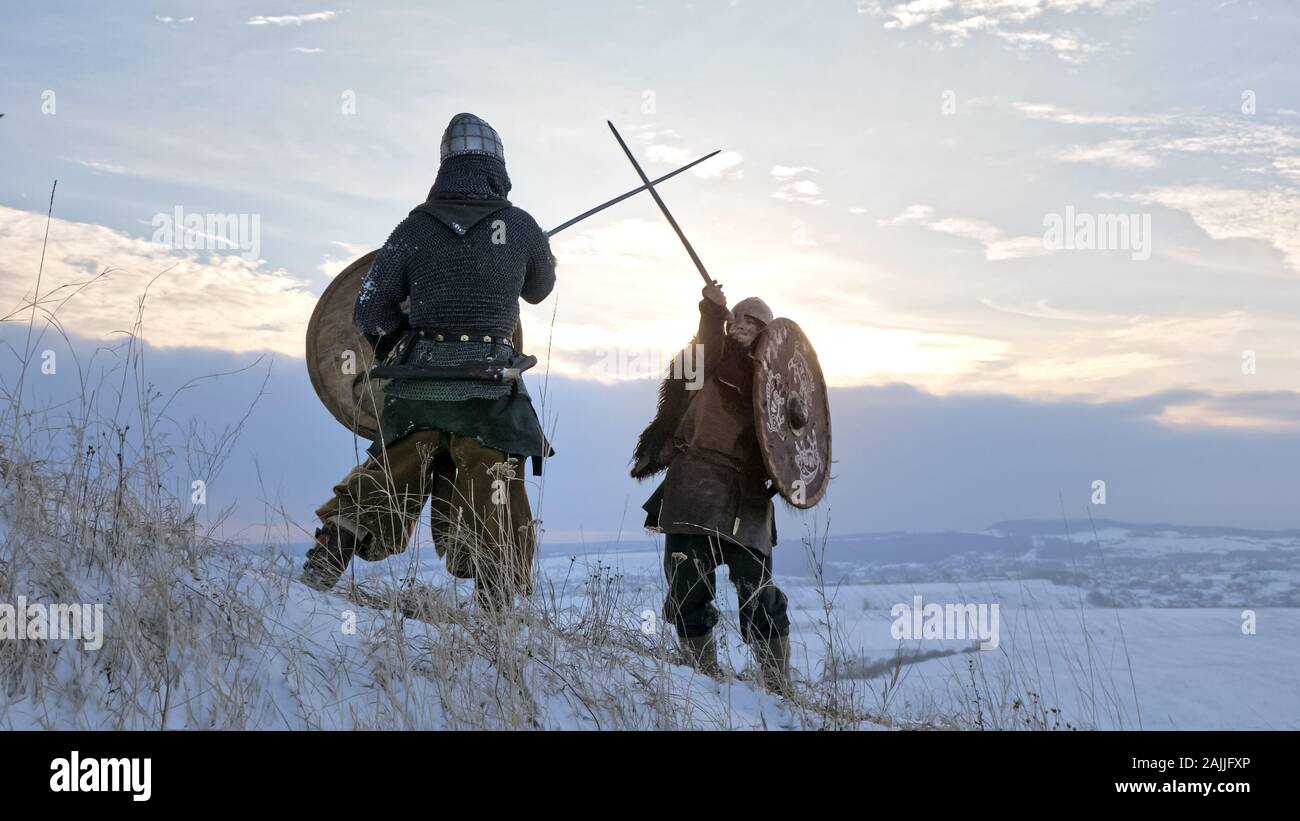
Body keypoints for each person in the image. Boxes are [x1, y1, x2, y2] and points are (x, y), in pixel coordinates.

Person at [305, 113, 556, 609]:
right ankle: (497, 610)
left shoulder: (413, 229)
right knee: (496, 487)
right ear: (496, 166)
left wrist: (405, 346)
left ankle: (329, 554)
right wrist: (532, 251)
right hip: (487, 388)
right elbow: (539, 289)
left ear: (446, 165)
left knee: (390, 473)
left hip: (415, 385)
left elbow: (369, 310)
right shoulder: (520, 225)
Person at [631, 281, 791, 693]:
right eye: (738, 318)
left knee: (758, 595)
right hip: (696, 488)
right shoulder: (705, 359)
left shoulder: (778, 384)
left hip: (750, 497)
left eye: (753, 323)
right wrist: (712, 313)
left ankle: (777, 689)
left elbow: (791, 440)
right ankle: (701, 683)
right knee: (688, 588)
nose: (742, 326)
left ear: (768, 334)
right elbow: (704, 347)